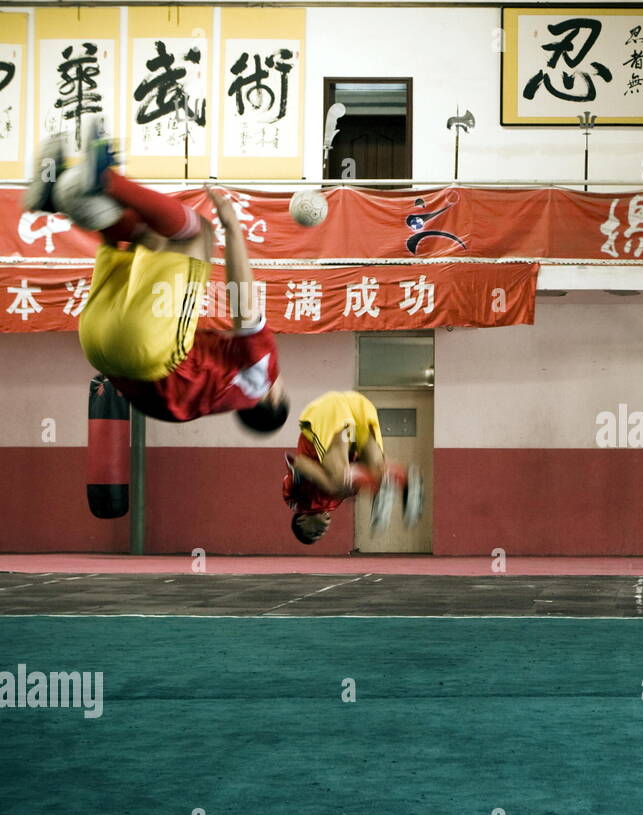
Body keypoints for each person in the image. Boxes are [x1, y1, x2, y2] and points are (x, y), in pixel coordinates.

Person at [26, 120, 288, 431]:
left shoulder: (261, 381)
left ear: (272, 399)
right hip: (99, 348)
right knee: (149, 239)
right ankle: (58, 198)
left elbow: (245, 305)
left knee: (198, 234)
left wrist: (232, 228)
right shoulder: (213, 393)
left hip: (151, 354)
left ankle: (106, 178)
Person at [283, 391, 423, 544]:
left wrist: (331, 485)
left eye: (314, 534)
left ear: (301, 521)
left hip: (327, 411)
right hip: (358, 406)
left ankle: (382, 483)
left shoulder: (295, 500)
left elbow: (300, 463)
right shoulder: (333, 503)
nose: (322, 533)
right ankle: (401, 478)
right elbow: (357, 470)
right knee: (376, 469)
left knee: (338, 482)